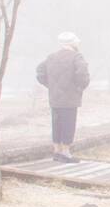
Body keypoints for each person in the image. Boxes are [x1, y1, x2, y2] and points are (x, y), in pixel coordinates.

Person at [36, 31, 90, 163]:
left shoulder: (51, 57)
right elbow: (83, 73)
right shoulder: (77, 57)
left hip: (54, 97)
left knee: (57, 123)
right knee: (68, 123)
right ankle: (66, 152)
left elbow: (40, 71)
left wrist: (50, 85)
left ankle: (57, 151)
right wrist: (79, 87)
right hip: (70, 97)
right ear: (73, 43)